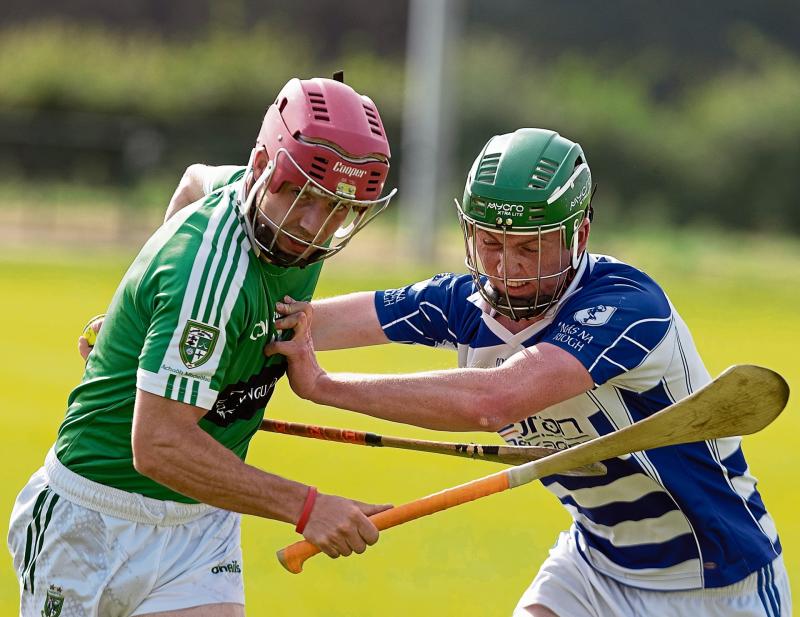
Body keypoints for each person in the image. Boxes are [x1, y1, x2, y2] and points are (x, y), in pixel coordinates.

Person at [263, 128, 791, 616]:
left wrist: (325, 386)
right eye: (490, 242)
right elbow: (300, 324)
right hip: (594, 566)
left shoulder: (623, 305)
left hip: (718, 581)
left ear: (579, 233)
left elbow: (492, 402)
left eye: (530, 247)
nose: (507, 268)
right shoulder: (463, 303)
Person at [8, 75, 396, 617]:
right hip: (96, 518)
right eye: (303, 195)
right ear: (263, 166)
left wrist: (136, 314)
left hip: (202, 521)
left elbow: (194, 179)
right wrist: (306, 507)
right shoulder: (209, 272)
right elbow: (157, 445)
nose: (313, 226)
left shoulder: (260, 198)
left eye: (338, 207)